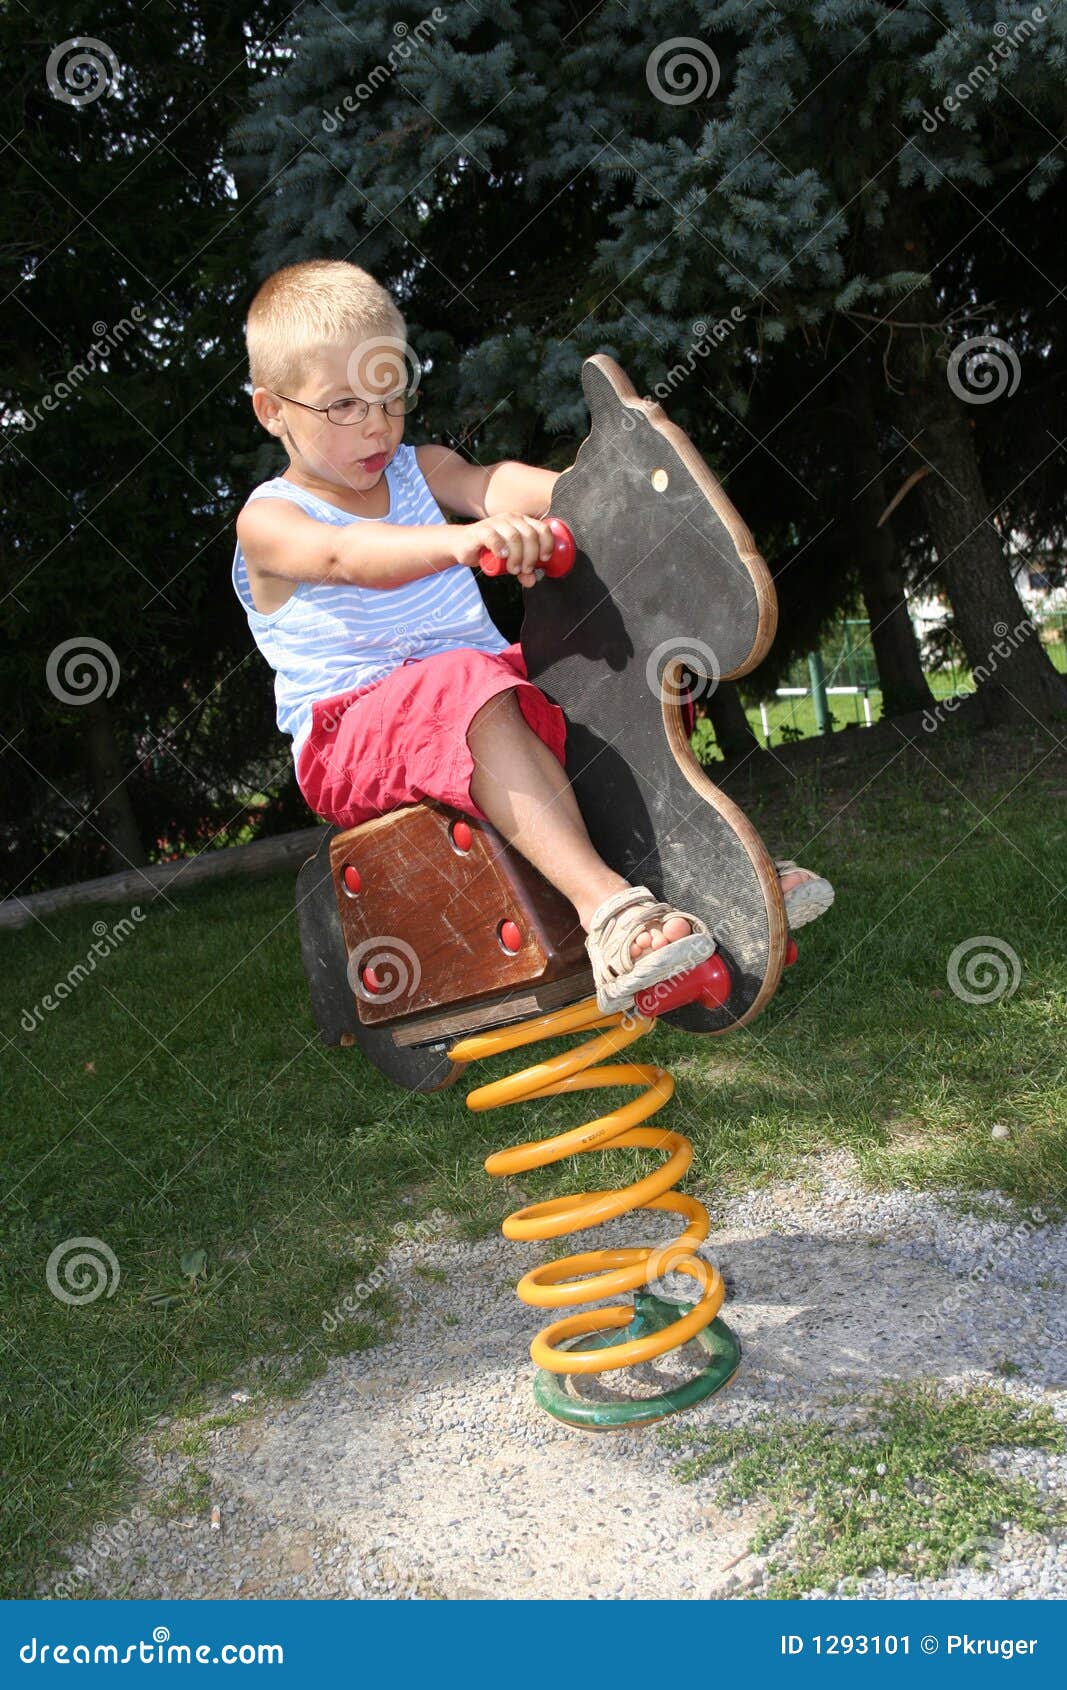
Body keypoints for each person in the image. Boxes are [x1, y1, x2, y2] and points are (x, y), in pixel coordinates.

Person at [232, 260, 834, 1015]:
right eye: (343, 405)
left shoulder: (420, 469)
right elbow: (343, 557)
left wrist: (596, 499)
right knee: (467, 681)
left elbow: (490, 483)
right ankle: (607, 912)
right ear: (272, 411)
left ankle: (703, 871)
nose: (376, 425)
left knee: (600, 669)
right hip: (348, 735)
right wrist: (459, 542)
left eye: (390, 397)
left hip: (478, 691)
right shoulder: (269, 519)